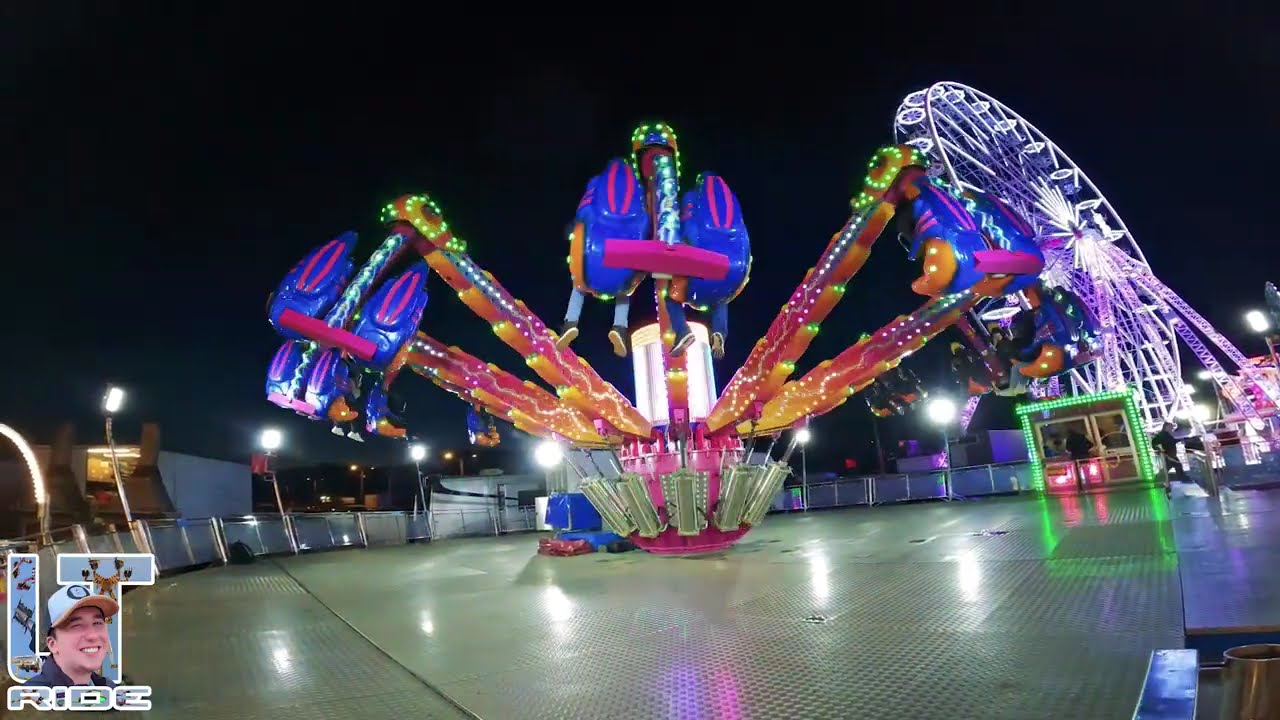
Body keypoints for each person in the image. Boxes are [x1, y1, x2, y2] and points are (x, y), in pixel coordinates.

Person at [23, 584, 119, 691]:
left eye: (97, 623)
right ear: (52, 644)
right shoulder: (30, 699)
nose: (93, 635)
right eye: (77, 626)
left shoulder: (111, 692)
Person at [1152, 421, 1186, 492]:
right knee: (1176, 465)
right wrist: (1159, 450)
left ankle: (1157, 480)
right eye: (1171, 427)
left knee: (1169, 467)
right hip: (1169, 455)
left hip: (1169, 454)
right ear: (1166, 427)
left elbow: (1155, 442)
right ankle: (1182, 479)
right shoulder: (1164, 435)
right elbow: (1170, 442)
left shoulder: (1164, 434)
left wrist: (1158, 449)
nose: (1172, 429)